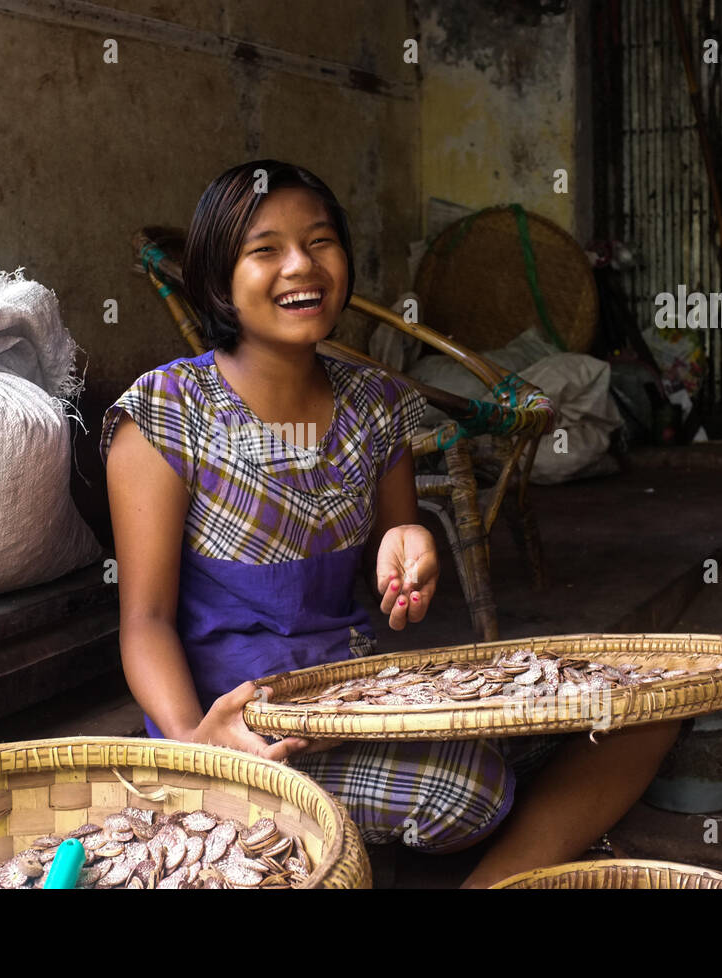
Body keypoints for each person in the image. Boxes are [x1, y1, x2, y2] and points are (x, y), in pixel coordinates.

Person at [102, 160, 679, 887]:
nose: (301, 266)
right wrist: (197, 747)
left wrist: (410, 551)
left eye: (320, 241)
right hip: (247, 727)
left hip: (363, 699)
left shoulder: (374, 403)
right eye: (265, 249)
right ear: (218, 281)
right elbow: (144, 622)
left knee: (640, 710)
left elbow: (396, 565)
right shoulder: (167, 414)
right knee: (466, 793)